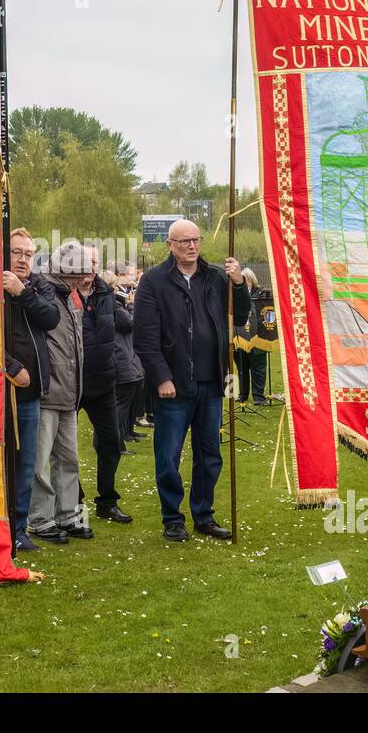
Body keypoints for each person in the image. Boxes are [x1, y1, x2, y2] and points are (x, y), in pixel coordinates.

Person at [133, 219, 250, 541]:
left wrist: (238, 283)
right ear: (169, 244)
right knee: (168, 456)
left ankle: (204, 515)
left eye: (195, 240)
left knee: (210, 455)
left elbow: (240, 317)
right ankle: (172, 518)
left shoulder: (215, 277)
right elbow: (144, 337)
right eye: (183, 241)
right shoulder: (154, 281)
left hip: (211, 383)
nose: (191, 246)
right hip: (173, 387)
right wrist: (161, 377)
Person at [3, 228, 61, 552]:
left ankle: (19, 527)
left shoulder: (37, 285)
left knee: (26, 464)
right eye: (17, 252)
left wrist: (21, 291)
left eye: (29, 254)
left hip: (30, 395)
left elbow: (51, 318)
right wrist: (10, 367)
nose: (24, 259)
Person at [28, 241, 90, 543]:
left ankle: (68, 516)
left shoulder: (69, 296)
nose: (82, 281)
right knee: (40, 462)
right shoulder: (46, 294)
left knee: (69, 459)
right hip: (49, 391)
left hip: (68, 392)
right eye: (77, 275)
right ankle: (40, 519)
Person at [77, 247, 131, 523]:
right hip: (71, 383)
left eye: (94, 263)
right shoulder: (62, 293)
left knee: (111, 443)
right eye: (84, 263)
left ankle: (107, 500)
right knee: (63, 448)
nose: (89, 269)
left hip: (103, 382)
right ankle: (73, 500)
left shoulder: (105, 294)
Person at [111, 267, 145, 444]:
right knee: (122, 402)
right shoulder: (114, 303)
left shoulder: (119, 300)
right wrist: (131, 305)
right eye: (126, 274)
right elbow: (129, 322)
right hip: (122, 354)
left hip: (129, 352)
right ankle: (119, 438)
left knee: (133, 396)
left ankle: (128, 431)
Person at [233, 268, 269, 405]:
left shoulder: (261, 295)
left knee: (258, 368)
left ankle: (259, 397)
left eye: (247, 280)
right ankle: (242, 394)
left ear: (252, 280)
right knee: (242, 368)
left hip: (257, 337)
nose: (244, 282)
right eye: (242, 280)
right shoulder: (235, 295)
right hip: (240, 336)